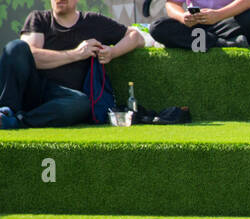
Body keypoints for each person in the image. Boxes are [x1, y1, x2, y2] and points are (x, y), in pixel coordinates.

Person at [0, 0, 143, 130]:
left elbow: (136, 37)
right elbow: (31, 56)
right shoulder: (39, 18)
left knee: (81, 103)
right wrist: (77, 54)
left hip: (66, 98)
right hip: (34, 89)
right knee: (15, 47)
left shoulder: (94, 21)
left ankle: (18, 121)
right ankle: (5, 112)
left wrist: (112, 52)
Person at [149, 0, 250, 50]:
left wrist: (219, 15)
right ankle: (221, 43)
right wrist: (182, 17)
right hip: (194, 25)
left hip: (227, 22)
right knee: (157, 27)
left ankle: (201, 42)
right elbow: (172, 3)